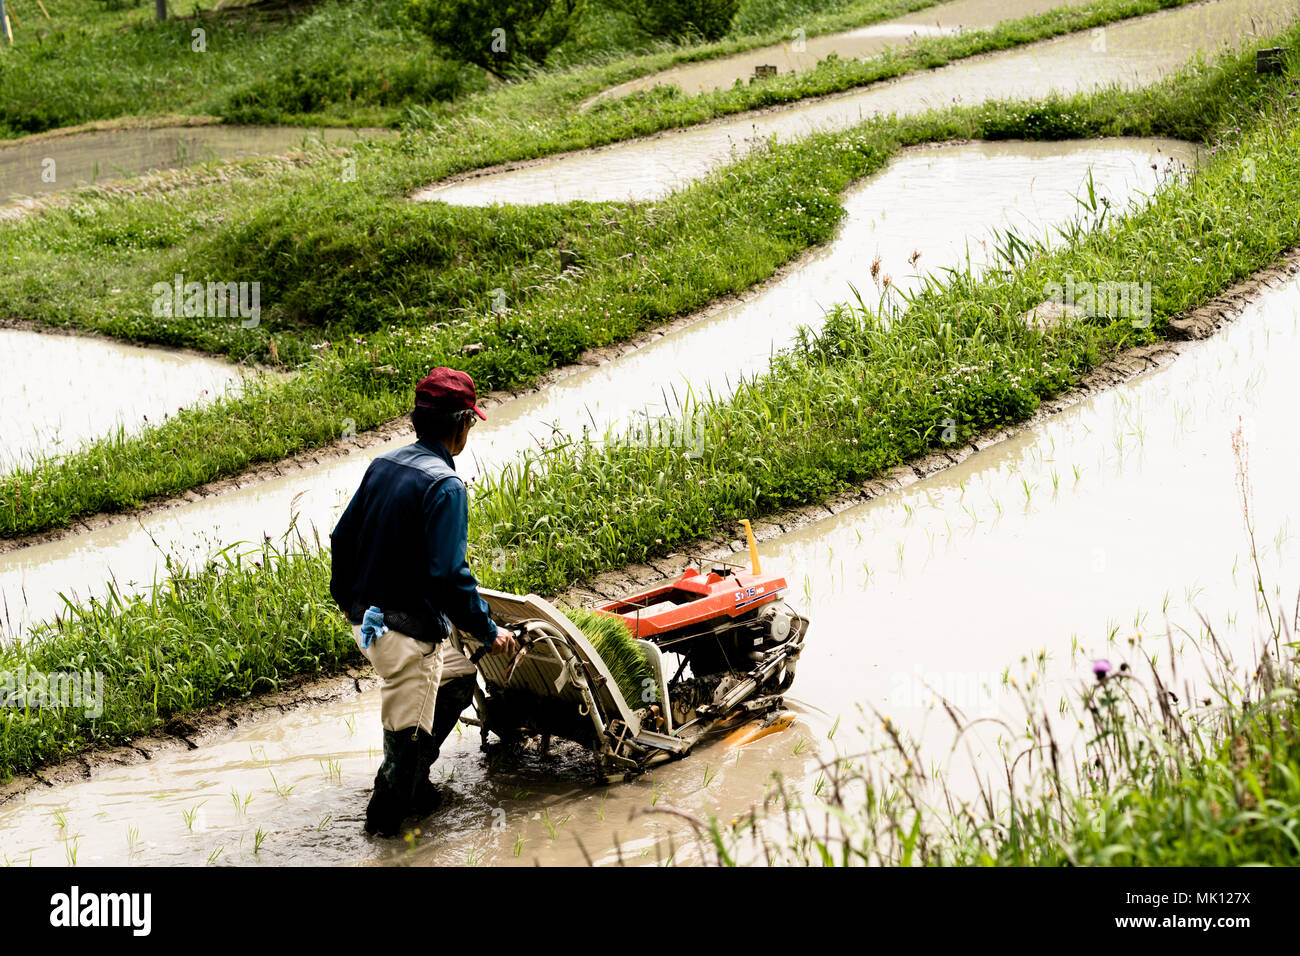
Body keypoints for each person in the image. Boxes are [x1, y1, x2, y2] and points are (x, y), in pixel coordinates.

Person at [329, 367, 516, 837]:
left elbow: (341, 538)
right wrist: (489, 631)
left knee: (457, 673)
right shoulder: (446, 487)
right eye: (470, 423)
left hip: (370, 623)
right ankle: (385, 825)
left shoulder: (385, 464)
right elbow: (450, 576)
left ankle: (417, 782)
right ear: (460, 426)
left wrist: (352, 604)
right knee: (405, 734)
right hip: (405, 636)